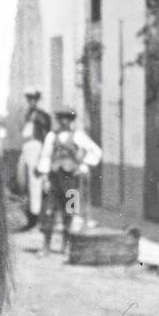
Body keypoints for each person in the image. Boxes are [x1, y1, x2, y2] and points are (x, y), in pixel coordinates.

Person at [37, 106, 102, 254]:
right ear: (58, 120)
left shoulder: (78, 135)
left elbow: (96, 151)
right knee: (49, 211)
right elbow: (45, 156)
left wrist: (84, 166)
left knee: (70, 211)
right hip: (54, 179)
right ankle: (46, 246)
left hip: (71, 180)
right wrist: (45, 177)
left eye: (68, 118)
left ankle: (65, 247)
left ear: (72, 120)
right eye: (62, 118)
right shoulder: (51, 136)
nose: (64, 121)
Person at [17, 87, 51, 231]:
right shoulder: (27, 114)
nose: (31, 101)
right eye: (29, 99)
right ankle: (31, 214)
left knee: (35, 184)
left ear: (38, 100)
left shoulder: (41, 115)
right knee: (23, 182)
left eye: (33, 99)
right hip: (26, 148)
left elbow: (45, 134)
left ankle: (35, 216)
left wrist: (43, 156)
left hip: (36, 148)